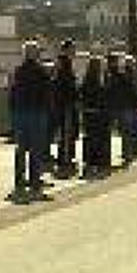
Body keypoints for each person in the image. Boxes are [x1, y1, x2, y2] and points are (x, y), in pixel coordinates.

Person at [8, 40, 53, 203]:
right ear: (35, 54)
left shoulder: (17, 71)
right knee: (36, 149)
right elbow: (47, 94)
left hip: (20, 113)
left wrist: (13, 112)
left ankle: (19, 180)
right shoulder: (41, 72)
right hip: (36, 113)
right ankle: (35, 180)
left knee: (21, 149)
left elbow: (12, 93)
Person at [80, 55, 112, 179]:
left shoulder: (87, 80)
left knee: (90, 138)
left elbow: (83, 95)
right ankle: (101, 161)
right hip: (99, 113)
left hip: (90, 113)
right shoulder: (102, 80)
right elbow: (105, 96)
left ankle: (90, 161)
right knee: (100, 137)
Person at [52, 40, 80, 178]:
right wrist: (75, 97)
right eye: (73, 49)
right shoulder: (64, 64)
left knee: (68, 132)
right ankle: (65, 158)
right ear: (67, 50)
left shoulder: (61, 64)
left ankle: (66, 157)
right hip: (66, 105)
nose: (74, 52)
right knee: (67, 132)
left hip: (63, 104)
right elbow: (66, 86)